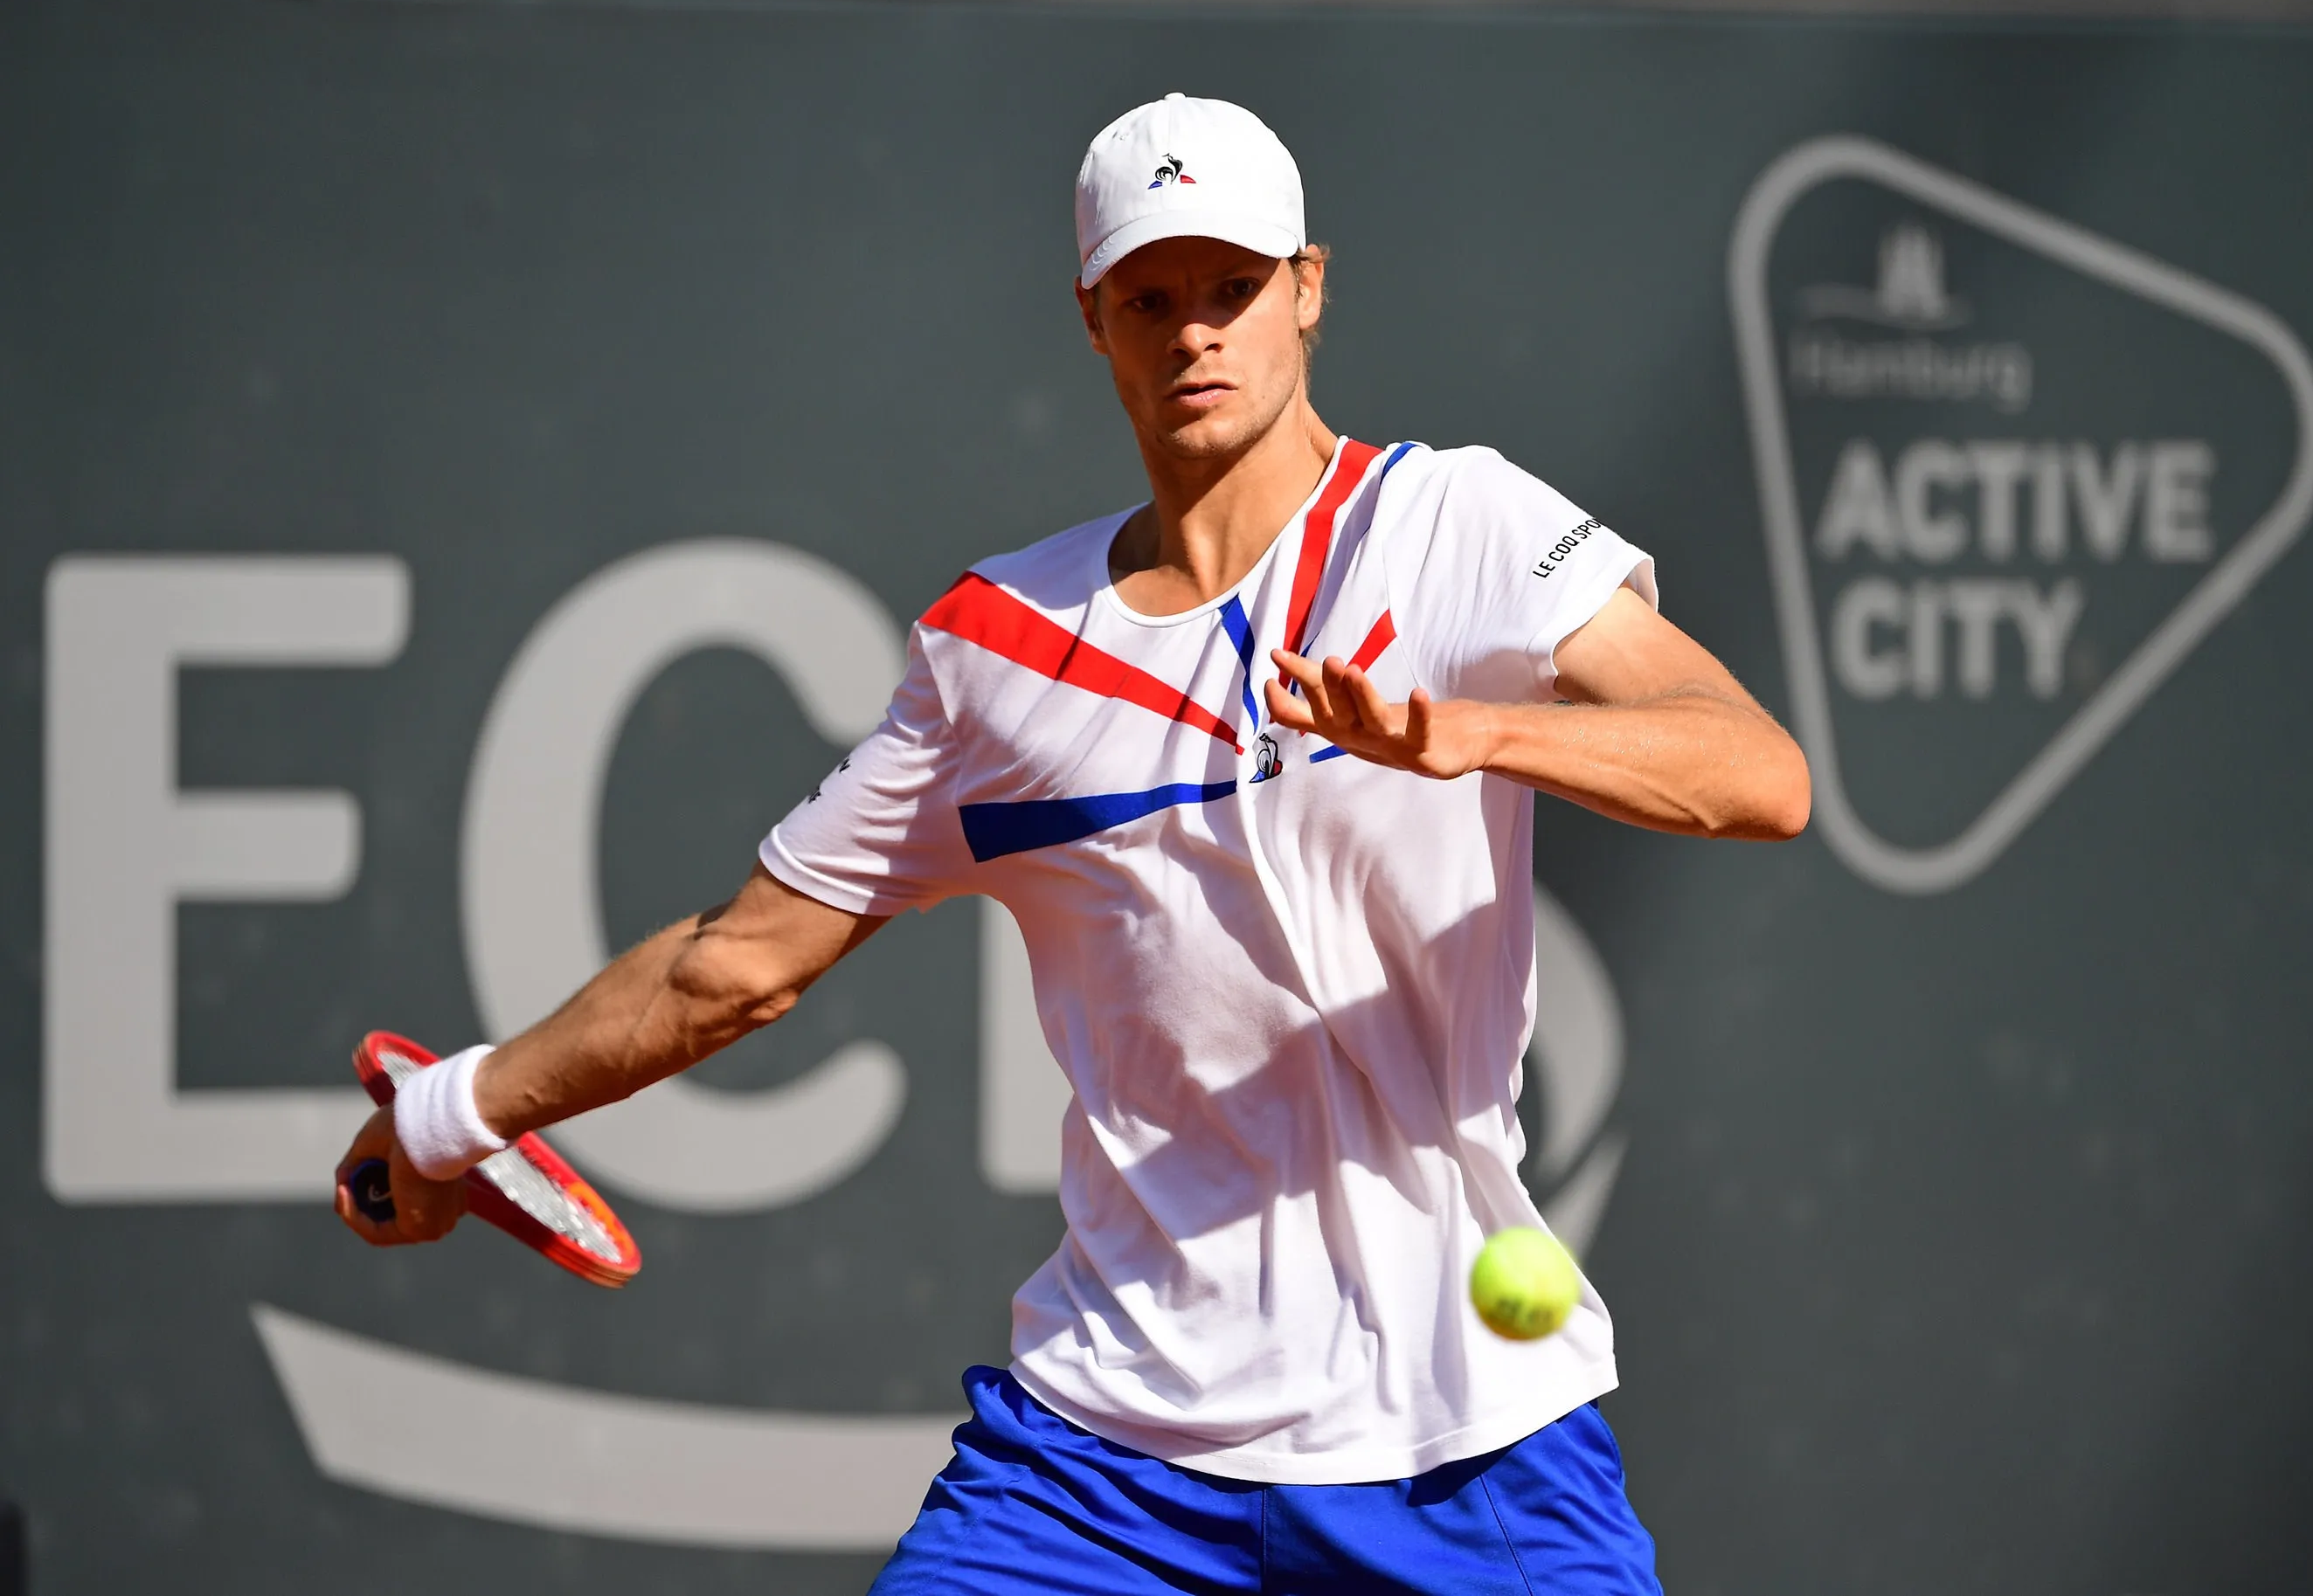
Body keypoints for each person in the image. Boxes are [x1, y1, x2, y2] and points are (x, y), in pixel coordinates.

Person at [336, 92, 1810, 1592]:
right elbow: (734, 970)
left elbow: (1755, 771)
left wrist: (1475, 736)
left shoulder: (1456, 528)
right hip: (1101, 1470)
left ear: (1308, 288)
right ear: (1091, 320)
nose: (1195, 335)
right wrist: (456, 1115)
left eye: (1232, 289)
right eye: (1149, 299)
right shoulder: (996, 654)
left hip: (1461, 1447)